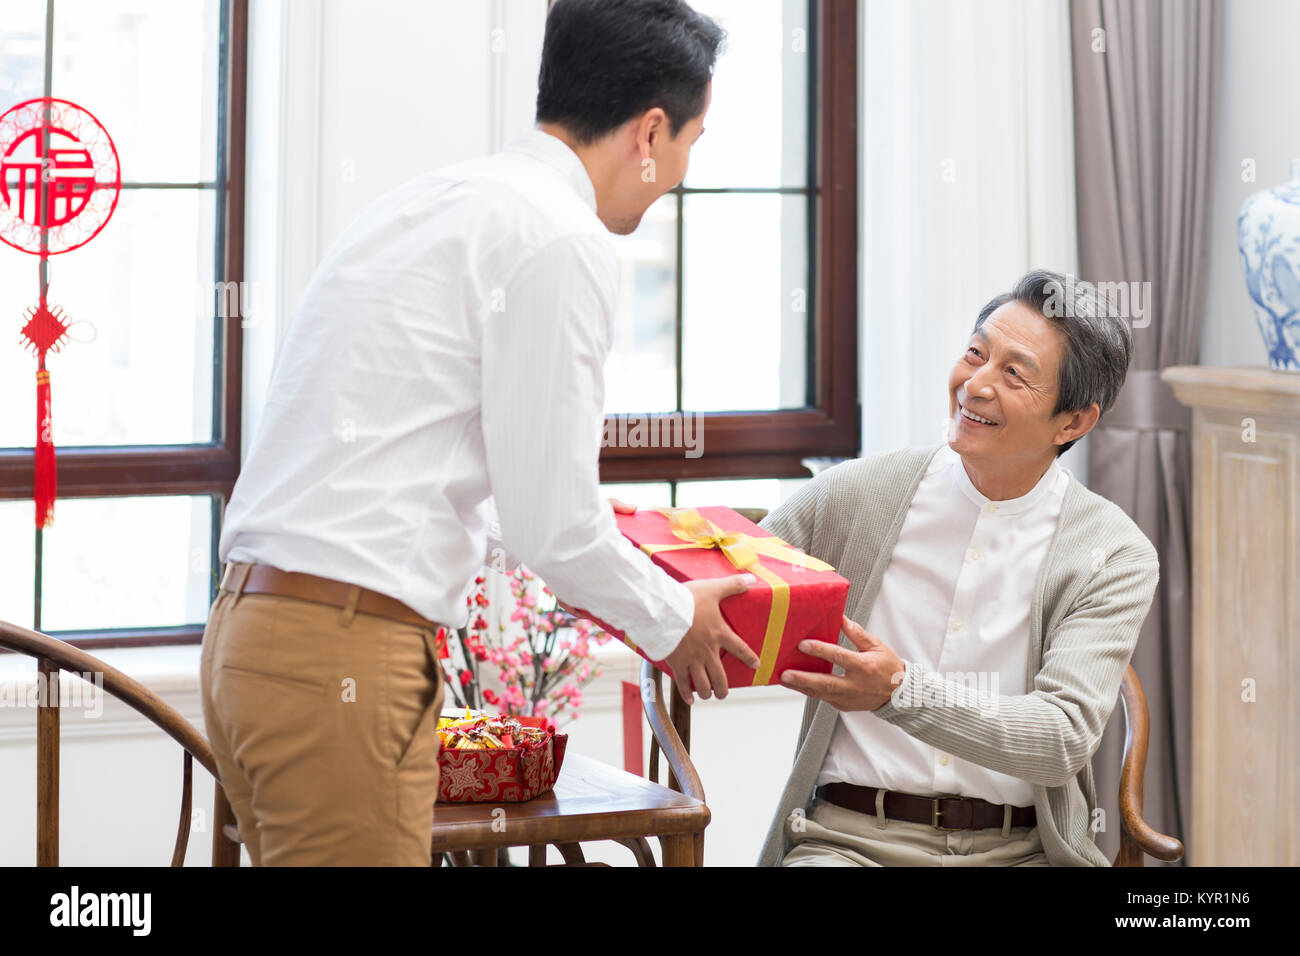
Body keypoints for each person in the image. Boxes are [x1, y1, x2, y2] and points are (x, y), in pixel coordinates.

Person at [200, 0, 758, 867]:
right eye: (693, 140)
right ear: (651, 132)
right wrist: (671, 616)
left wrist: (645, 561)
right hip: (340, 655)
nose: (682, 169)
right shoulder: (560, 239)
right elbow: (555, 529)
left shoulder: (435, 202)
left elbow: (473, 482)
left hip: (254, 640)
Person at [757, 269, 1160, 866]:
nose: (975, 385)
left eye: (1013, 373)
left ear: (1073, 422)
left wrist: (899, 691)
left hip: (1021, 852)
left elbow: (1060, 738)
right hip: (847, 843)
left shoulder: (1113, 553)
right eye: (976, 354)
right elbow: (740, 573)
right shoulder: (859, 493)